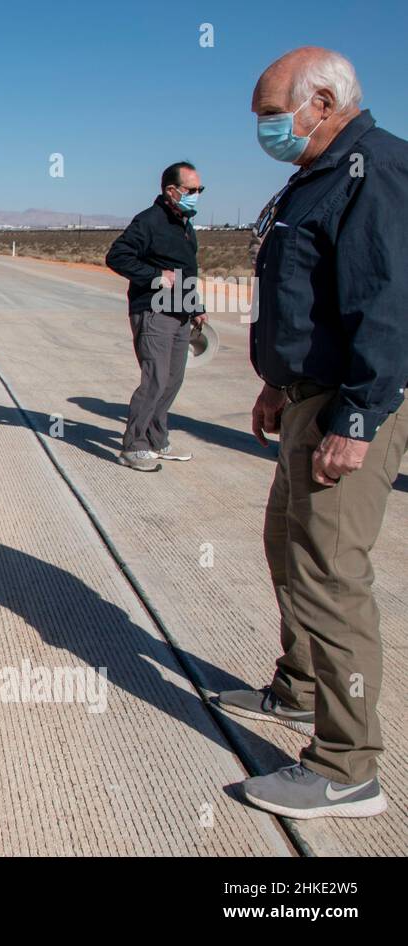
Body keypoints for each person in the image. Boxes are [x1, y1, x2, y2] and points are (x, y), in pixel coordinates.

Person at [216, 48, 408, 819]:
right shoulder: (320, 173)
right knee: (285, 546)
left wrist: (357, 418)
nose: (264, 128)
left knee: (329, 572)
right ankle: (298, 690)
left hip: (345, 407)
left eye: (272, 113)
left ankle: (345, 764)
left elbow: (388, 305)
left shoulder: (378, 170)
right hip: (304, 398)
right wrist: (275, 383)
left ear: (322, 101)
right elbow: (310, 297)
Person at [105, 162, 208, 472]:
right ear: (171, 191)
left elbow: (185, 271)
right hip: (153, 310)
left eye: (200, 190)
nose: (196, 195)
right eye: (191, 190)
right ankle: (133, 446)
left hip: (180, 312)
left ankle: (156, 440)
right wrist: (154, 276)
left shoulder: (185, 225)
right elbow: (117, 256)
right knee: (156, 379)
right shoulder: (149, 221)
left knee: (173, 379)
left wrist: (196, 305)